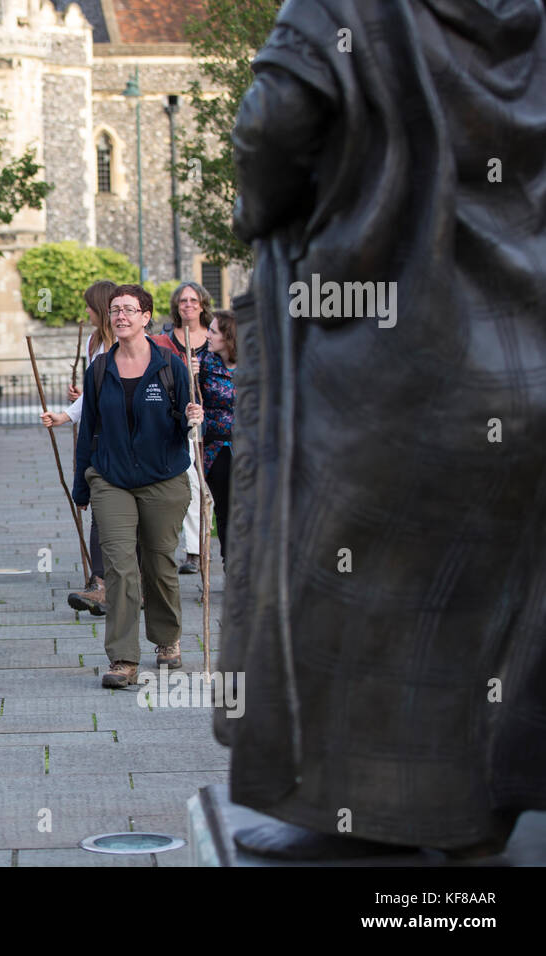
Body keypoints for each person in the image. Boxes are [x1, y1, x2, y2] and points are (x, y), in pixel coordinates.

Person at [219, 0, 546, 858]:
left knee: (354, 589)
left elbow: (270, 128)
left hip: (386, 357)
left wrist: (264, 211)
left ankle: (363, 822)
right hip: (527, 352)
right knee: (490, 594)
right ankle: (477, 814)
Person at [71, 283, 204, 689]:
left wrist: (193, 416)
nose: (121, 316)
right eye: (115, 310)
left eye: (130, 309)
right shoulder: (99, 370)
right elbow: (88, 432)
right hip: (112, 480)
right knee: (120, 568)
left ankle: (166, 639)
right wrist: (83, 484)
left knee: (159, 565)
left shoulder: (170, 366)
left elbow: (186, 423)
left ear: (146, 317)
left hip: (163, 480)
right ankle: (124, 659)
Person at [40, 280, 116, 615]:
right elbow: (94, 391)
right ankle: (100, 583)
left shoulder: (121, 345)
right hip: (96, 436)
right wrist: (70, 411)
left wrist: (68, 413)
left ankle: (125, 586)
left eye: (89, 305)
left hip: (120, 440)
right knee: (99, 510)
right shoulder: (94, 341)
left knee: (121, 518)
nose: (85, 311)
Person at [158, 281, 213, 574]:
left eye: (193, 300)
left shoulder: (216, 336)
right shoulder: (165, 340)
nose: (188, 305)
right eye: (182, 301)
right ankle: (194, 550)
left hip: (214, 422)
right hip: (183, 420)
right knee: (190, 484)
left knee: (208, 487)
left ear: (202, 304)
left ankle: (206, 546)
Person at [199, 309, 236, 561]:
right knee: (225, 509)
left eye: (213, 331)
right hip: (217, 447)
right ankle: (232, 564)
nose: (208, 335)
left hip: (252, 448)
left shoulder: (256, 362)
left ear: (229, 336)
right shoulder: (202, 363)